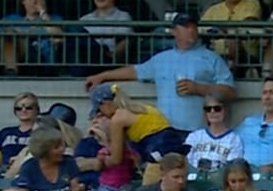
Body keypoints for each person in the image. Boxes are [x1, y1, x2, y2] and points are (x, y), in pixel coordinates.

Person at [85, 13, 234, 136]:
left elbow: (230, 91)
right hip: (164, 130)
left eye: (193, 26)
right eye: (185, 27)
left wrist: (199, 88)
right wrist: (102, 76)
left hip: (198, 132)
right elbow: (135, 71)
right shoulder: (162, 59)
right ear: (174, 31)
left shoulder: (212, 58)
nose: (191, 30)